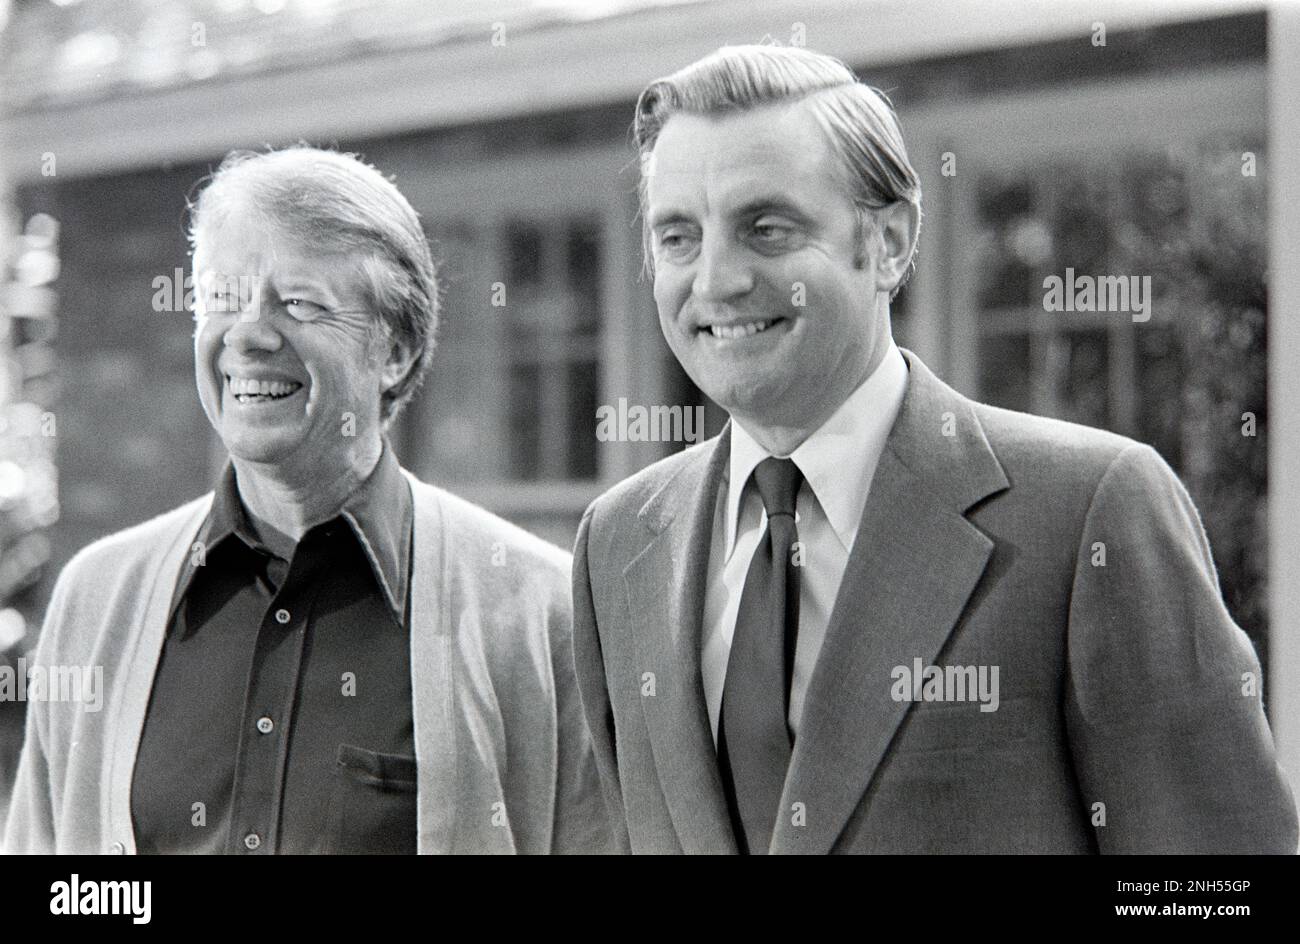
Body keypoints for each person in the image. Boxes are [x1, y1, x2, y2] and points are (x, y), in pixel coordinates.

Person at [570, 44, 1298, 854]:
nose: (714, 280)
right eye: (678, 237)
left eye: (766, 228)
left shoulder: (1091, 508)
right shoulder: (618, 541)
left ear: (887, 242)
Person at [5, 147, 607, 854]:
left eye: (300, 303)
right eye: (223, 298)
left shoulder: (539, 615)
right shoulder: (96, 601)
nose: (251, 333)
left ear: (395, 352)